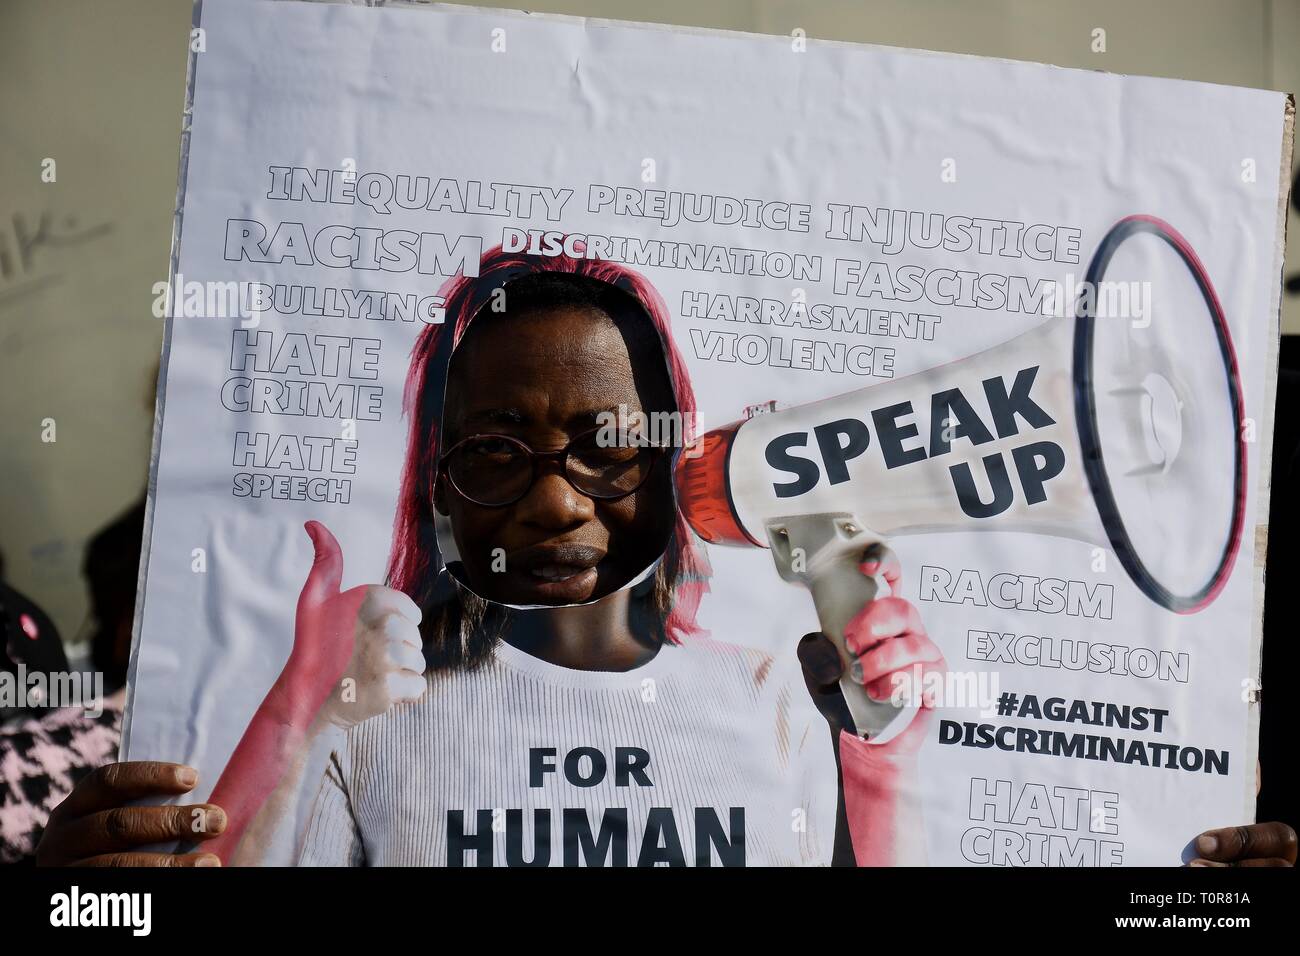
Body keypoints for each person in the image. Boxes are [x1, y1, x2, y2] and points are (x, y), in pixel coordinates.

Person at [36, 249, 1297, 867]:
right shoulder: (370, 709)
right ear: (433, 480)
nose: (552, 501)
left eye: (607, 446)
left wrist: (882, 776)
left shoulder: (784, 709)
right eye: (492, 452)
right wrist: (86, 892)